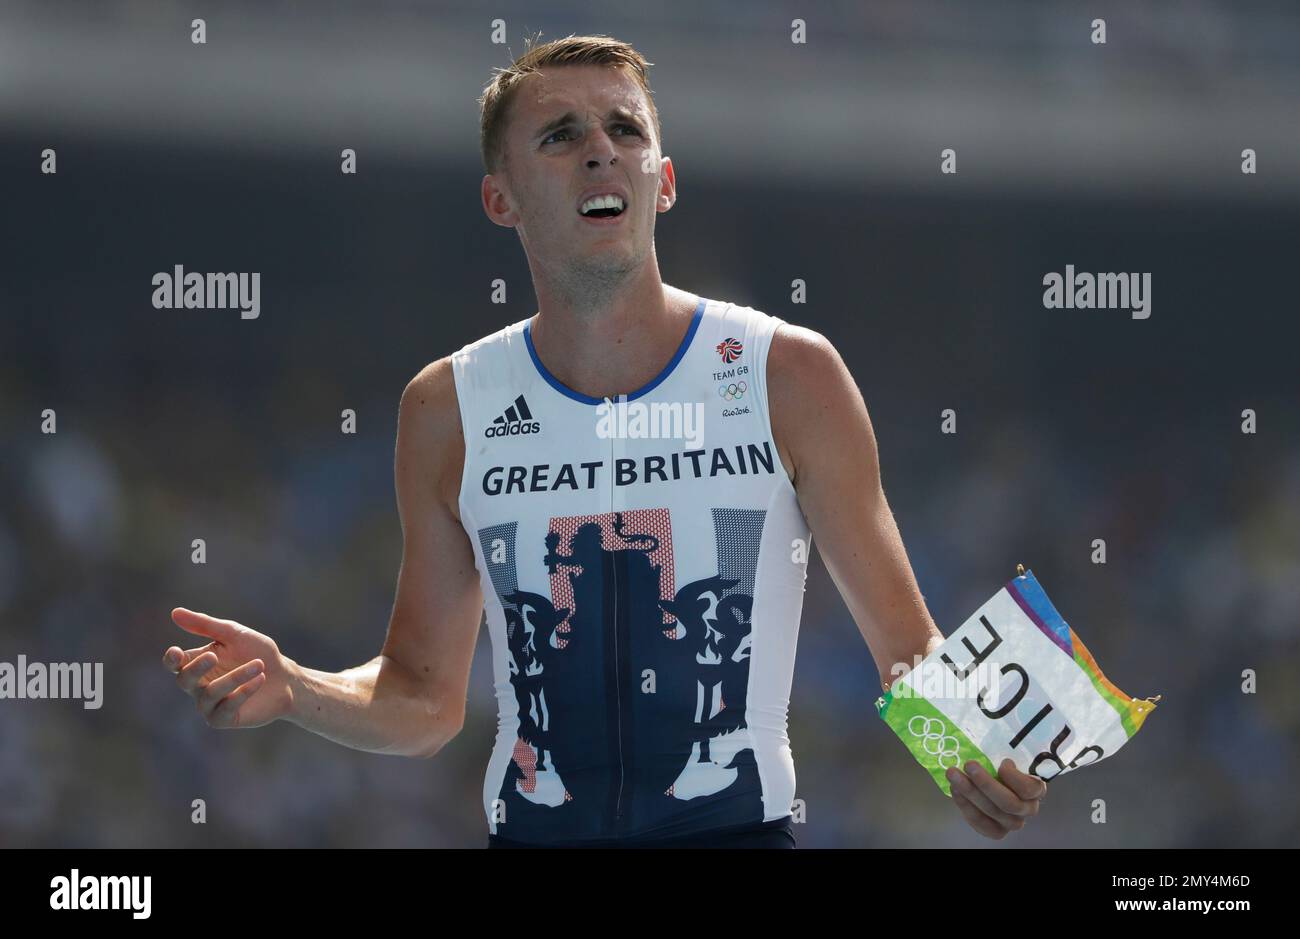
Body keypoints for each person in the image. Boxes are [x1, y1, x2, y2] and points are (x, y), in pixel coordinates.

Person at [163, 34, 1046, 848]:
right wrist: (293, 687)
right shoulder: (447, 407)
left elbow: (909, 647)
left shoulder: (790, 373)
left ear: (661, 180)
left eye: (625, 128)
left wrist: (969, 755)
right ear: (498, 197)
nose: (600, 148)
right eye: (559, 134)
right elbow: (422, 700)